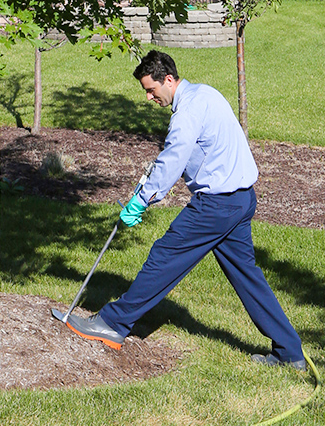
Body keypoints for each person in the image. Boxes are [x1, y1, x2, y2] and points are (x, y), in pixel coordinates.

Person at [63, 50, 306, 370]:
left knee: (164, 257)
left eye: (151, 89)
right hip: (242, 199)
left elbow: (173, 158)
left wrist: (143, 198)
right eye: (145, 92)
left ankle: (113, 323)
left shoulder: (186, 113)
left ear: (168, 79)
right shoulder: (206, 93)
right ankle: (289, 351)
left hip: (217, 205)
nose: (150, 97)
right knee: (248, 278)